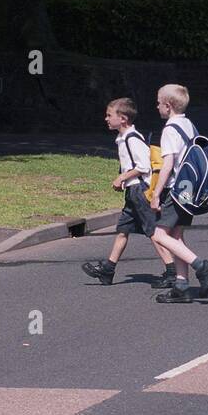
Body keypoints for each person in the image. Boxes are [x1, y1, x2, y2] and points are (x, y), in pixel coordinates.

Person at [147, 84, 208, 304]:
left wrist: (157, 193)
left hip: (176, 189)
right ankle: (181, 286)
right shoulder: (188, 124)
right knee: (176, 236)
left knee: (159, 235)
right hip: (190, 189)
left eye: (159, 103)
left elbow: (167, 165)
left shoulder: (170, 129)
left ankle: (201, 266)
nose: (157, 106)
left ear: (167, 106)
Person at [82, 98, 158, 286]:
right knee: (123, 230)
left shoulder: (132, 138)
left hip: (140, 190)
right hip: (132, 192)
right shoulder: (123, 138)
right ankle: (108, 270)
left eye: (109, 115)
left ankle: (173, 271)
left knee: (154, 232)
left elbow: (143, 167)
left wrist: (121, 178)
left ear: (123, 118)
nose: (106, 119)